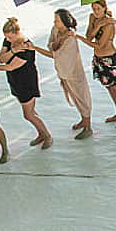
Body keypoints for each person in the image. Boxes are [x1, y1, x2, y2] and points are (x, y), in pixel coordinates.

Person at [0, 17, 51, 150]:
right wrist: (13, 51)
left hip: (26, 82)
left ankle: (47, 135)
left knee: (28, 114)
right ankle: (41, 133)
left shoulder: (27, 47)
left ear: (17, 33)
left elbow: (9, 66)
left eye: (10, 37)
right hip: (15, 80)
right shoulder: (9, 42)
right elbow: (1, 59)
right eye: (6, 37)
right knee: (30, 112)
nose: (7, 40)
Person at [27, 10, 92, 140]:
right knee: (75, 97)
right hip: (63, 71)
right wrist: (60, 39)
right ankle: (83, 120)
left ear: (64, 21)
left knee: (82, 97)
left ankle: (87, 127)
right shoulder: (55, 30)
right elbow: (51, 45)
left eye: (57, 20)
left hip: (73, 73)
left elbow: (54, 54)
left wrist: (35, 48)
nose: (54, 22)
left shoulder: (71, 38)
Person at [75, 0, 116, 128]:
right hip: (98, 59)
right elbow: (89, 37)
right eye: (94, 8)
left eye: (98, 9)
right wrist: (97, 25)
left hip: (109, 59)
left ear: (105, 8)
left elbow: (99, 45)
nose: (96, 11)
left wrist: (78, 37)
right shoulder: (93, 18)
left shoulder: (109, 23)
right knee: (109, 87)